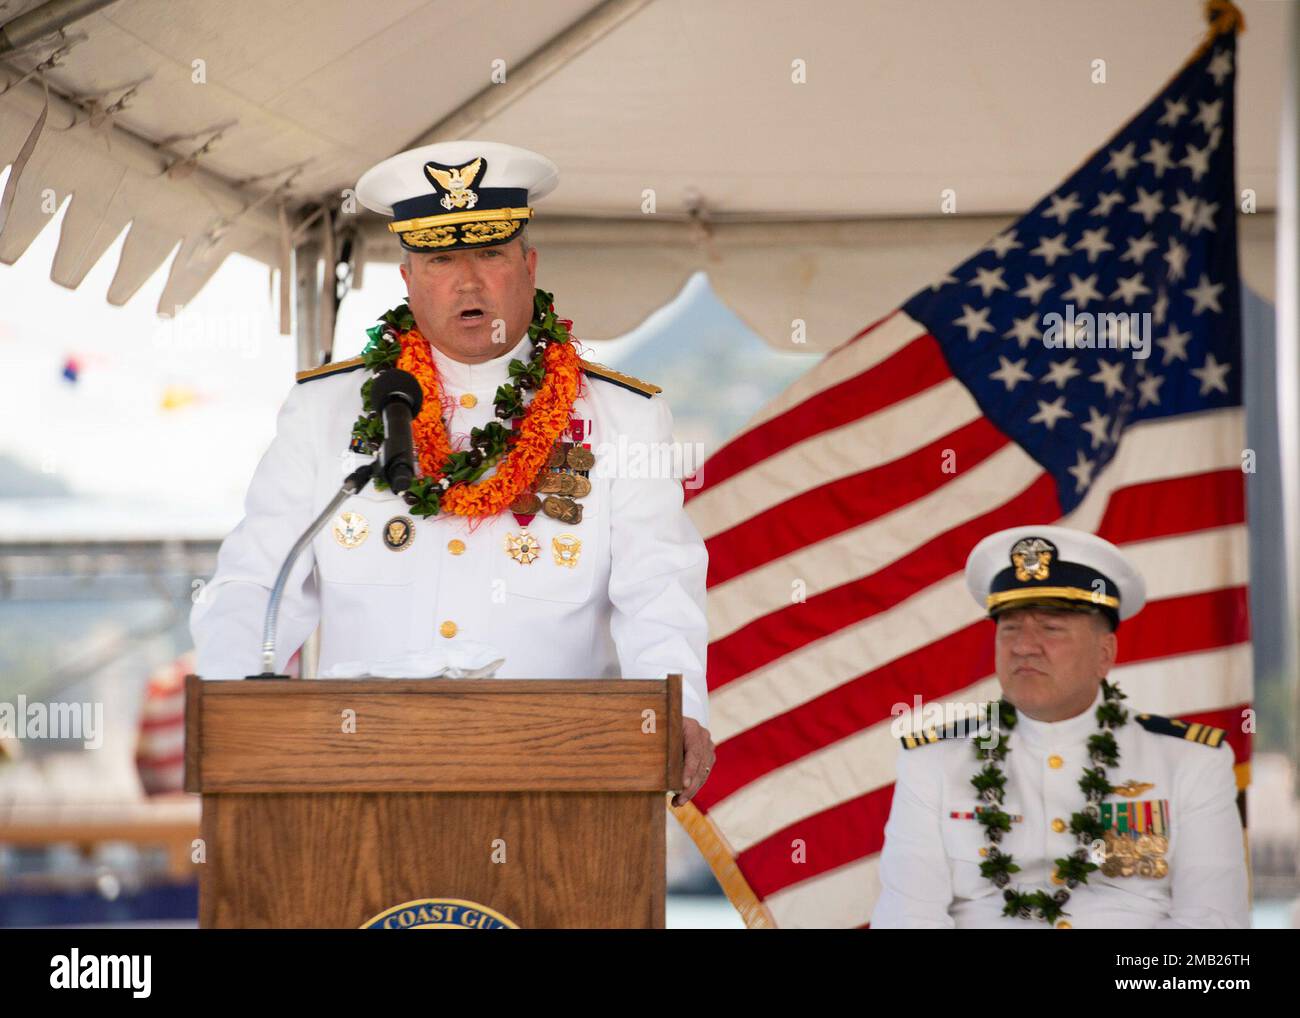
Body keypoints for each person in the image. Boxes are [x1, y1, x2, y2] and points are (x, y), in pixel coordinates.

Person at [189, 141, 715, 806]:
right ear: (408, 279)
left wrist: (677, 705)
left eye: (489, 254)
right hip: (358, 785)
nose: (467, 281)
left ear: (527, 266)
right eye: (440, 258)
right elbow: (255, 583)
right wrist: (231, 710)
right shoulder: (326, 412)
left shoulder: (620, 417)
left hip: (558, 786)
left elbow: (657, 589)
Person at [871, 525, 1247, 928]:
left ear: (1105, 653)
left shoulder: (1188, 761)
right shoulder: (934, 761)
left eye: (1050, 628)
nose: (1023, 645)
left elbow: (1214, 923)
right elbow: (907, 918)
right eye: (1010, 627)